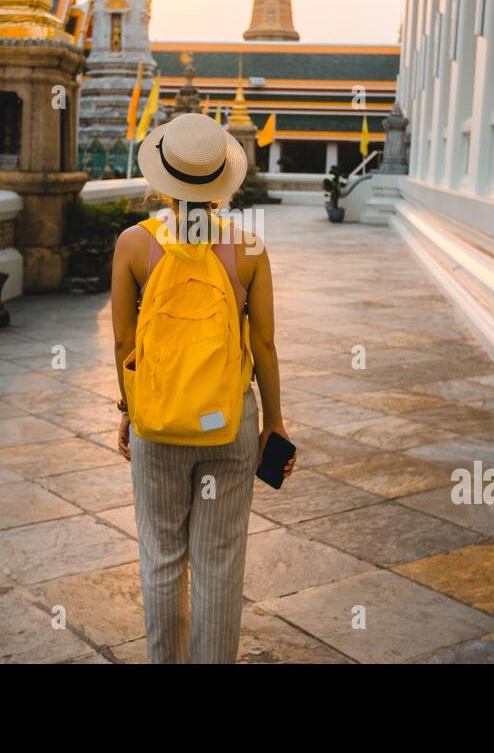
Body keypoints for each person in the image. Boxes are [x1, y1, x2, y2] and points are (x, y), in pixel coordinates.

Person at [111, 111, 295, 664]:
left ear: (162, 180)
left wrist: (129, 407)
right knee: (218, 559)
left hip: (159, 422)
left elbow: (125, 345)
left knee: (162, 555)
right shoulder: (250, 248)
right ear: (220, 183)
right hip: (228, 423)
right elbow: (263, 346)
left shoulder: (133, 245)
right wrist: (274, 422)